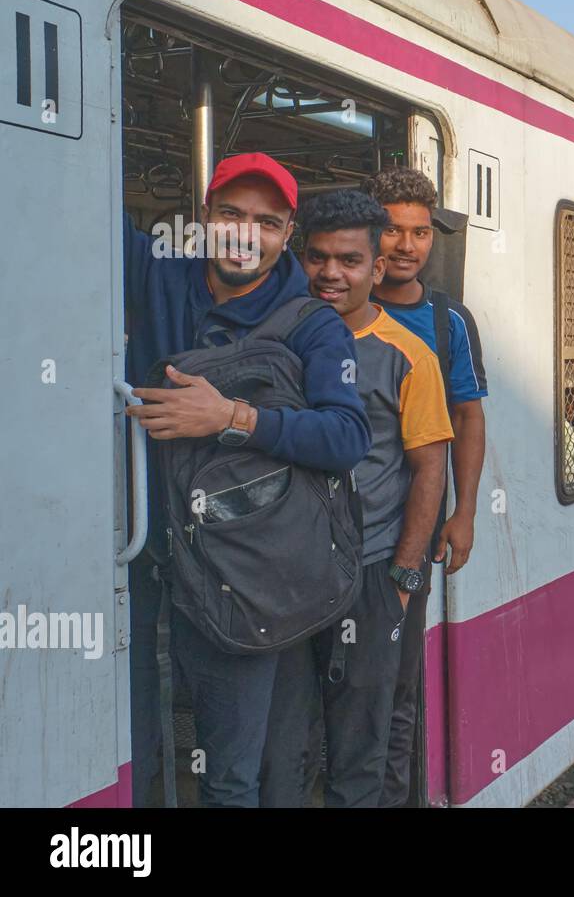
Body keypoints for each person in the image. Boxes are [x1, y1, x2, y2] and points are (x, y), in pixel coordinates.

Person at [123, 152, 371, 807]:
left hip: (244, 579)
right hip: (148, 559)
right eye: (230, 213)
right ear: (205, 218)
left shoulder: (313, 324)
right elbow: (76, 190)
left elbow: (347, 437)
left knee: (230, 772)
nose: (244, 232)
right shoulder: (160, 271)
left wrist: (231, 416)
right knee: (137, 741)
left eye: (265, 221)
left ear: (287, 234)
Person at [263, 190, 454, 807]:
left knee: (361, 743)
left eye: (348, 261)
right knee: (285, 744)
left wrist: (403, 576)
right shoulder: (279, 337)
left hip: (370, 571)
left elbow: (429, 468)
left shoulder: (410, 354)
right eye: (318, 258)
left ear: (376, 269)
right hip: (287, 571)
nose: (330, 274)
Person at [359, 166, 488, 807]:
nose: (406, 246)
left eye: (418, 232)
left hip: (407, 536)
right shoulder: (338, 307)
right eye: (391, 230)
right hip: (330, 534)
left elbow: (467, 417)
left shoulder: (447, 322)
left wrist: (462, 515)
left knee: (397, 684)